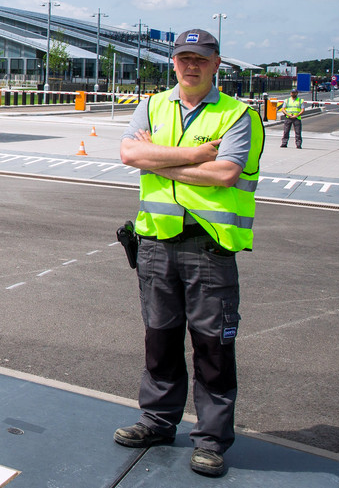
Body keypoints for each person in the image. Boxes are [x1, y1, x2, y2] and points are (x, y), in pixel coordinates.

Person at [115, 28, 264, 478]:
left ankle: (211, 440)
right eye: (184, 58)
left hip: (208, 248)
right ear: (174, 63)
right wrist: (195, 155)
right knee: (160, 339)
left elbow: (224, 174)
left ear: (217, 63)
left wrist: (159, 160)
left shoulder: (238, 115)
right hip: (157, 243)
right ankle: (158, 421)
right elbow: (129, 154)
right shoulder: (151, 105)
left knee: (212, 347)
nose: (191, 66)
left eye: (200, 58)